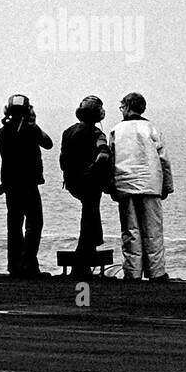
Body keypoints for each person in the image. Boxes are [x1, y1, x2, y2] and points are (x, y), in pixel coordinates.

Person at [109, 92, 173, 281]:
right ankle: (156, 272)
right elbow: (164, 160)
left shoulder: (116, 130)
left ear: (127, 107)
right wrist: (167, 186)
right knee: (153, 230)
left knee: (130, 230)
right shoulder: (152, 129)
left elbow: (111, 160)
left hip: (125, 184)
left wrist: (112, 186)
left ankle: (132, 272)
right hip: (150, 184)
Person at [0, 94, 53, 277]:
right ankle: (29, 264)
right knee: (34, 224)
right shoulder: (32, 130)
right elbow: (48, 143)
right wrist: (33, 122)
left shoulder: (3, 132)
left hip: (10, 184)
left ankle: (14, 265)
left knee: (14, 224)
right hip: (28, 183)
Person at [60, 96, 111, 276]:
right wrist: (96, 173)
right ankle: (82, 261)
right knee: (90, 217)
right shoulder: (97, 134)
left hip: (73, 182)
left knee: (89, 215)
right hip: (90, 182)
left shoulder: (68, 131)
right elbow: (103, 156)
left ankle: (89, 251)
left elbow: (63, 159)